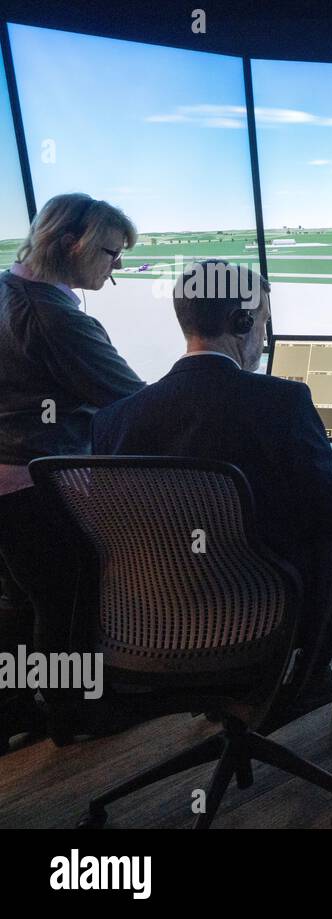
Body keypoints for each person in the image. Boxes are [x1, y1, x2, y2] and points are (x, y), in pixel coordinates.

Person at [92, 259, 332, 695]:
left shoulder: (113, 420)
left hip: (153, 615)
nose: (265, 338)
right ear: (242, 321)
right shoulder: (283, 402)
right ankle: (313, 666)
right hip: (258, 606)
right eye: (264, 324)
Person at [0, 193, 144, 654]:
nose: (117, 266)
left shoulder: (9, 289)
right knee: (70, 603)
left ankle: (26, 709)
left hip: (11, 481)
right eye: (110, 253)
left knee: (26, 602)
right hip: (37, 486)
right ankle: (77, 711)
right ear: (69, 243)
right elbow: (135, 402)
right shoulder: (55, 317)